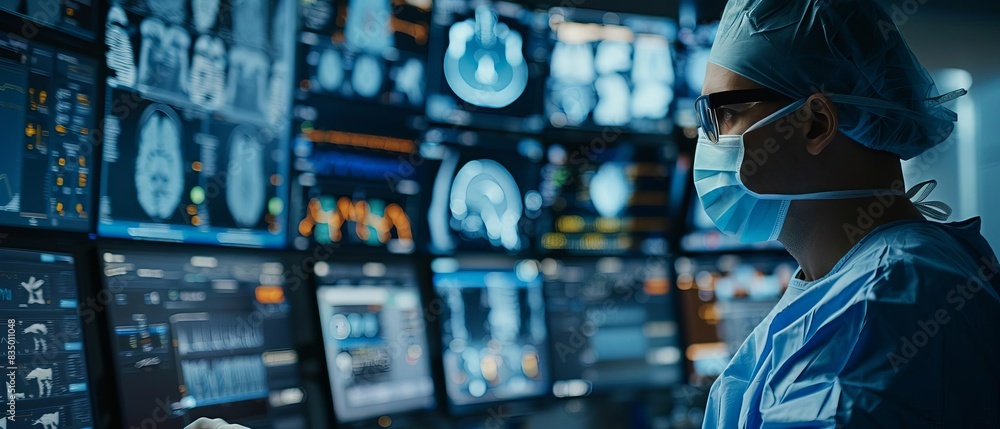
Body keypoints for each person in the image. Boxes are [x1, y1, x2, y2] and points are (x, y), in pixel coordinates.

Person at [693, 0, 1000, 427]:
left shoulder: (890, 297)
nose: (707, 139)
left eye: (724, 113)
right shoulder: (843, 283)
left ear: (816, 123)